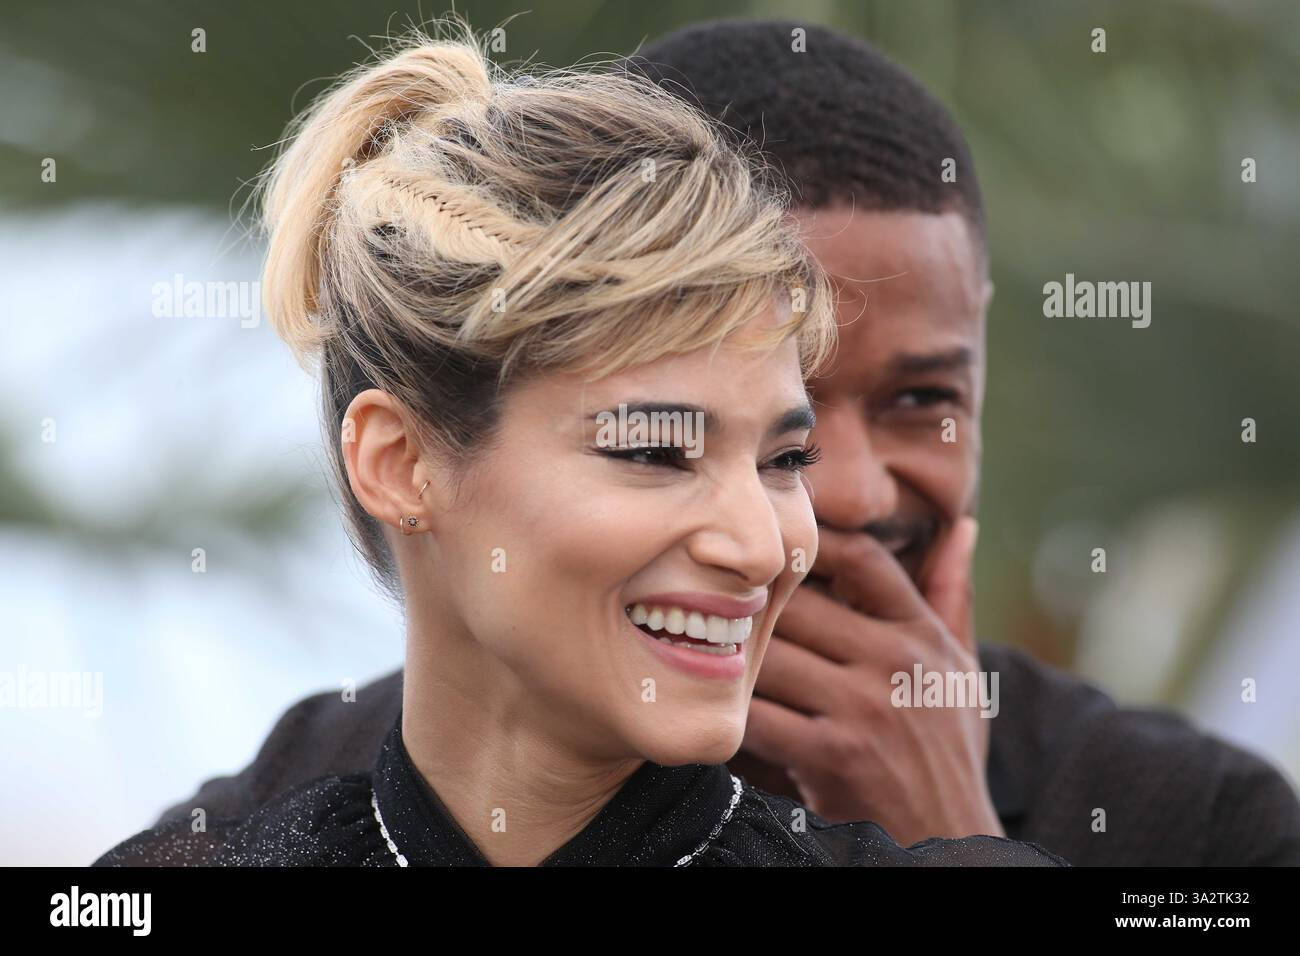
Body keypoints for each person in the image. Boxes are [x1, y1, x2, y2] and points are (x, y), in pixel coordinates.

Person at [146, 19, 1300, 866]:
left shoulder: (1195, 828)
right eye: (658, 444)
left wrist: (956, 829)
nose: (811, 511)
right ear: (400, 463)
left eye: (916, 402)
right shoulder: (253, 824)